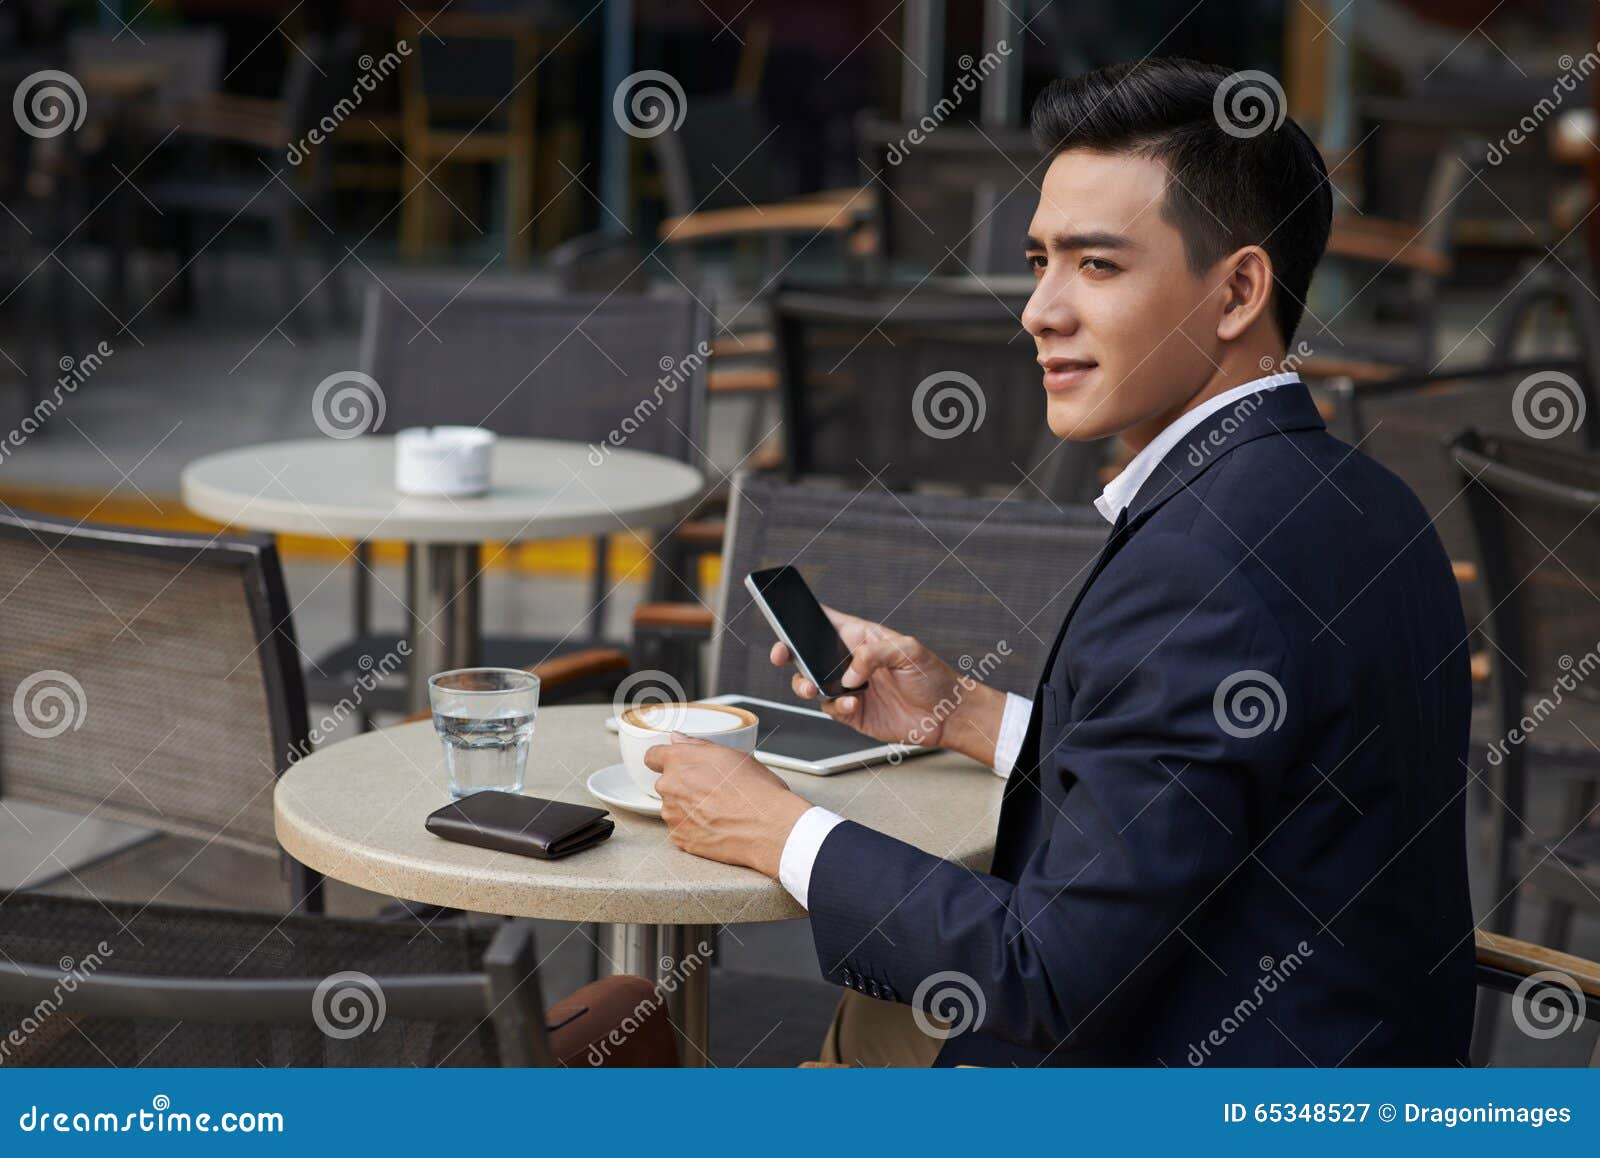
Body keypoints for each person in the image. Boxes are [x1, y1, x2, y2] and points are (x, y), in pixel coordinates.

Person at [644, 57, 1475, 1066]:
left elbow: (1038, 982)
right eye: (1039, 261)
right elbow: (1230, 790)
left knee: (634, 1036)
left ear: (1238, 291)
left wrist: (778, 829)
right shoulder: (1365, 497)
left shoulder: (1201, 567)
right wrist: (964, 715)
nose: (1039, 309)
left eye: (1096, 264)